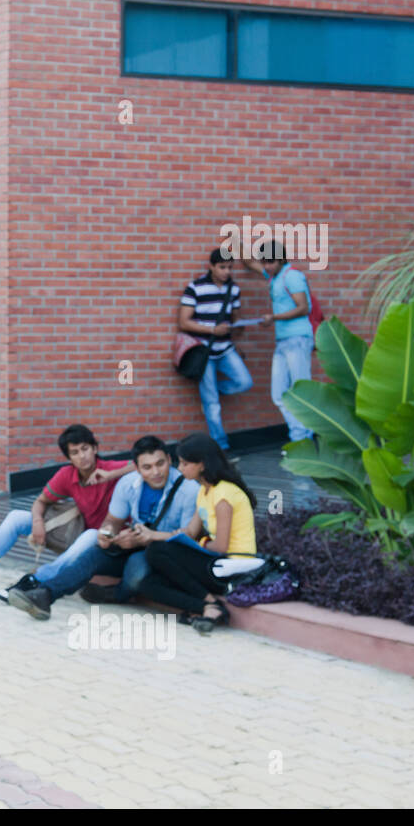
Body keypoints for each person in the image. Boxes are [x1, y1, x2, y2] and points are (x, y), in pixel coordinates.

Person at [6, 436, 199, 619]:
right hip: (133, 544)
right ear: (138, 469)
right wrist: (107, 535)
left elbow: (188, 538)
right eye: (147, 467)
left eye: (160, 464)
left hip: (164, 553)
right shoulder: (127, 483)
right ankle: (45, 595)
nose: (156, 472)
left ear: (169, 459)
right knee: (92, 555)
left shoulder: (189, 489)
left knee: (136, 572)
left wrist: (150, 537)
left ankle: (116, 594)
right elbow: (112, 521)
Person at [0, 424, 133, 600]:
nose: (82, 456)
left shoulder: (109, 467)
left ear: (95, 448)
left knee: (91, 535)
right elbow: (40, 501)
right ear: (69, 457)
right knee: (16, 517)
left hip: (107, 541)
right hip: (76, 535)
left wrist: (110, 475)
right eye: (75, 452)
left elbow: (144, 464)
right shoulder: (67, 474)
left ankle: (34, 580)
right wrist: (37, 522)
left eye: (85, 449)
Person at [140, 432, 258, 635]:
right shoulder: (204, 492)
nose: (180, 468)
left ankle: (209, 604)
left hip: (234, 567)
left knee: (156, 551)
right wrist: (153, 534)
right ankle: (208, 608)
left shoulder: (224, 494)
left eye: (185, 463)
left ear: (202, 464)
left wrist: (197, 543)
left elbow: (220, 546)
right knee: (148, 584)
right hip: (216, 562)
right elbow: (190, 532)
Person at [237, 239, 315, 443]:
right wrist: (233, 240)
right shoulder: (274, 276)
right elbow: (248, 262)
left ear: (280, 259)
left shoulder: (292, 276)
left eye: (270, 262)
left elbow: (303, 307)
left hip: (297, 339)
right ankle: (301, 437)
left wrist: (274, 318)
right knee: (278, 393)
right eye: (264, 263)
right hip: (283, 341)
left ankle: (302, 439)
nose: (266, 267)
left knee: (300, 392)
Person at [179, 248, 253, 451]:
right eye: (222, 267)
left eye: (230, 267)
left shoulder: (234, 289)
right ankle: (221, 445)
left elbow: (235, 317)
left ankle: (213, 391)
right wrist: (212, 329)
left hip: (226, 348)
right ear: (211, 266)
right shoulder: (195, 288)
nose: (226, 272)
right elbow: (184, 322)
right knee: (212, 405)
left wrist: (239, 327)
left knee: (245, 382)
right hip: (204, 351)